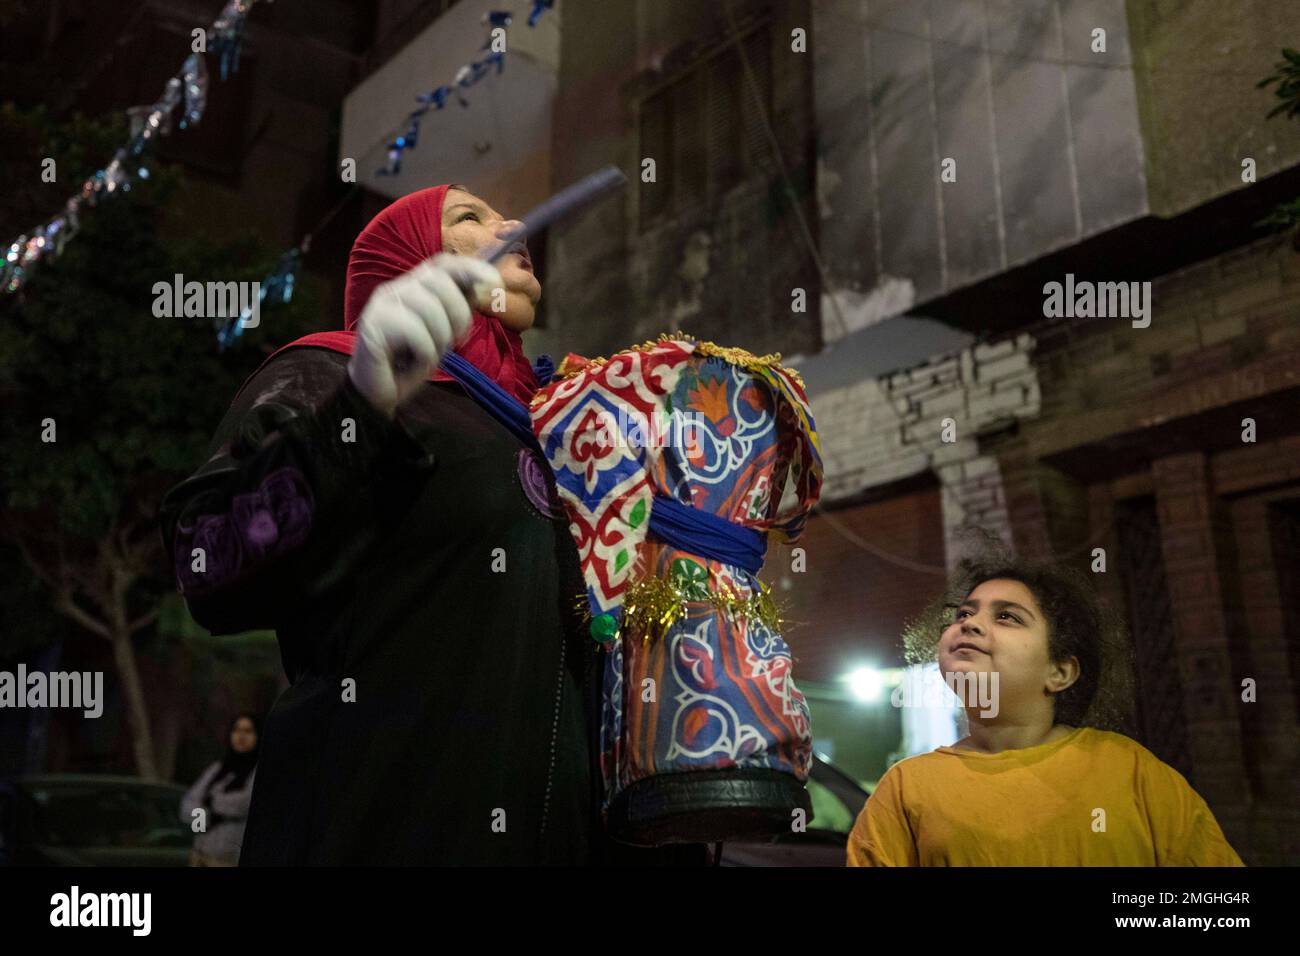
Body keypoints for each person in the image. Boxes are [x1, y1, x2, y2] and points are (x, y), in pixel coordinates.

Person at [158, 182, 706, 866]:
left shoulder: (561, 429)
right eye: (467, 216)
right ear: (406, 263)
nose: (511, 221)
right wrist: (361, 406)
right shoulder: (326, 374)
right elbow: (208, 565)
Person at [847, 550, 1244, 866]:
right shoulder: (905, 788)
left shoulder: (1132, 771)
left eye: (1006, 616)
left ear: (1060, 672)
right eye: (964, 613)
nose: (969, 624)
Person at [180, 713, 260, 866]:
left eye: (248, 731)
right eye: (237, 730)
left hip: (231, 859)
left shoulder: (259, 771)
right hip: (201, 855)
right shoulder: (218, 769)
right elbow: (188, 806)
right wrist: (206, 818)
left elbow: (244, 803)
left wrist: (210, 804)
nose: (241, 736)